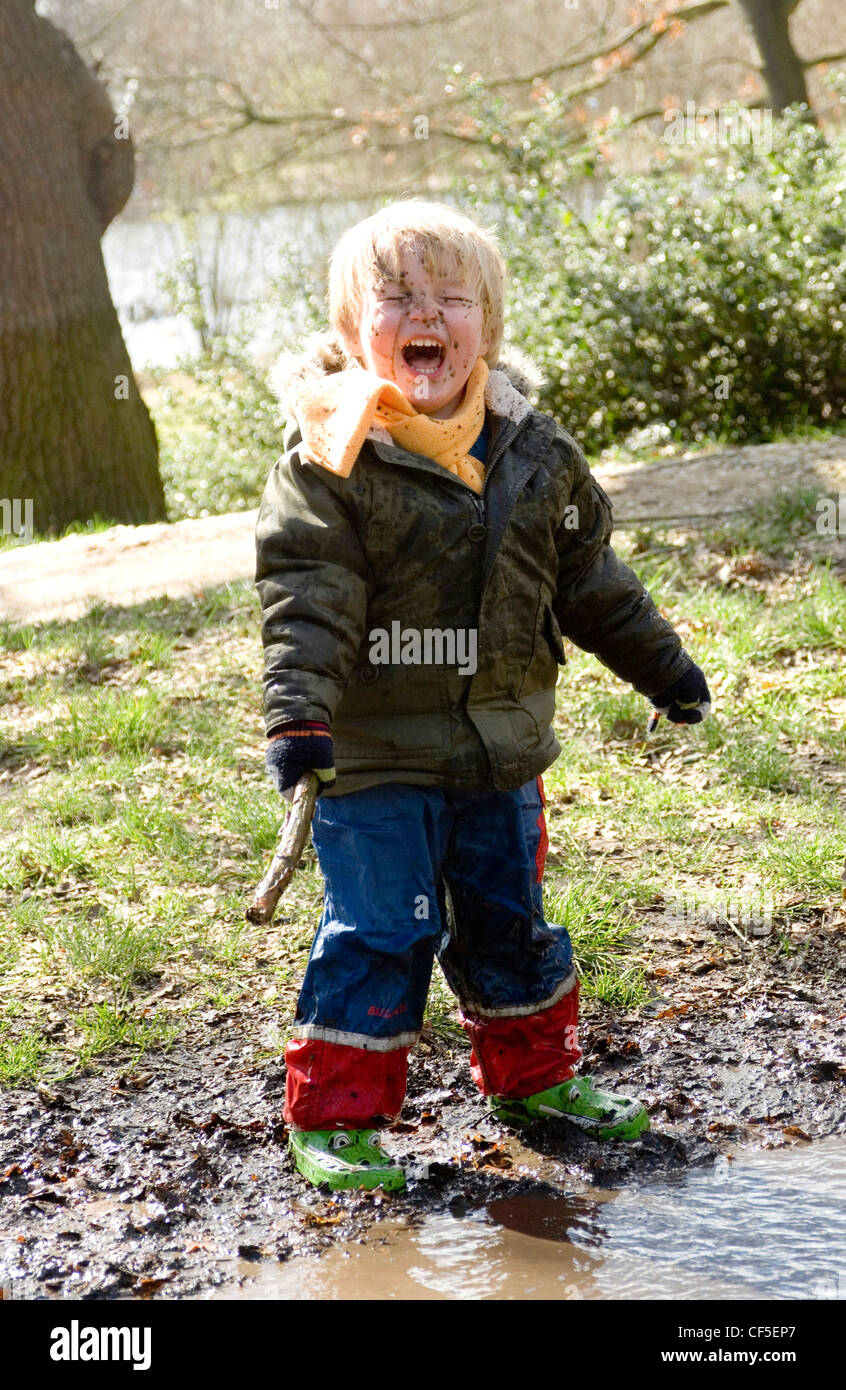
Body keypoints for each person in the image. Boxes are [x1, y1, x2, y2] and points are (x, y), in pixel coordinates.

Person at [255, 200, 711, 1192]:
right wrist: (298, 715)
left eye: (451, 298)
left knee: (510, 921)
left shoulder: (534, 454)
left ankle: (536, 1082)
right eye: (396, 297)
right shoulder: (332, 462)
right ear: (352, 330)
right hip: (375, 763)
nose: (426, 313)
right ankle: (337, 1117)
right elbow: (308, 598)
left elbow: (592, 582)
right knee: (383, 930)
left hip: (501, 752)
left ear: (488, 329)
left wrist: (667, 671)